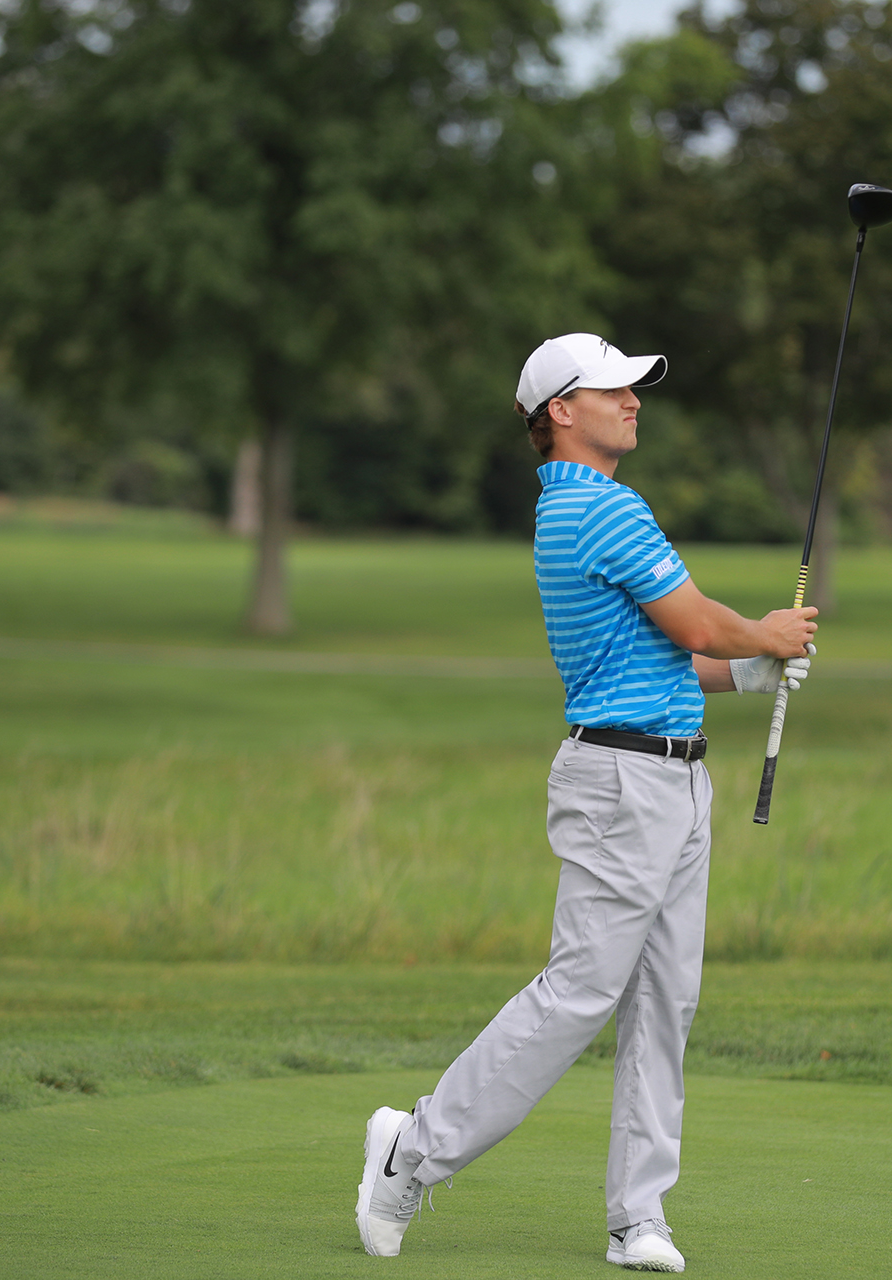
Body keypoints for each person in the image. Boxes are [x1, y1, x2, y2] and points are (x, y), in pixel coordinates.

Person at [354, 333, 819, 1272]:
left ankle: (636, 1217)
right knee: (580, 993)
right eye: (615, 389)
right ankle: (413, 1148)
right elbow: (697, 620)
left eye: (636, 387)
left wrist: (756, 668)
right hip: (622, 785)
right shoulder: (595, 509)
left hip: (674, 777)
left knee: (664, 1003)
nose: (634, 399)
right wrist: (765, 631)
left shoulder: (596, 508)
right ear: (561, 409)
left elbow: (674, 659)